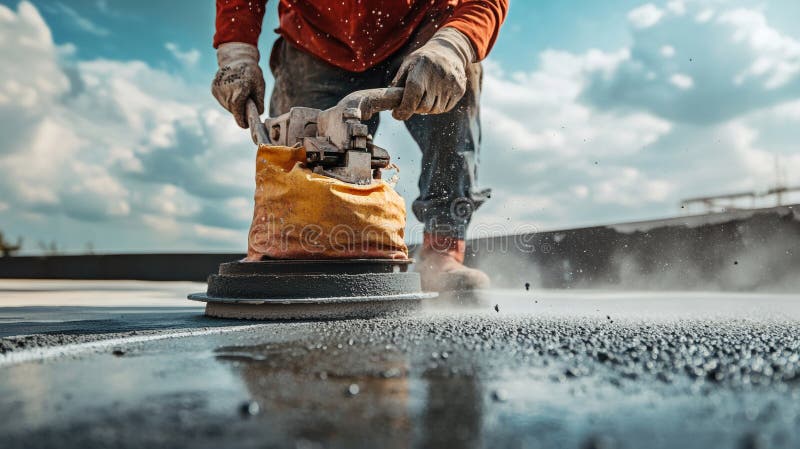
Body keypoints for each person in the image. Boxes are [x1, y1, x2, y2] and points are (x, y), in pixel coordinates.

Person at [212, 0, 508, 292]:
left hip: (421, 28)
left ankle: (441, 251)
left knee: (455, 81)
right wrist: (236, 51)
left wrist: (455, 43)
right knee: (299, 157)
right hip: (315, 40)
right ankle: (293, 251)